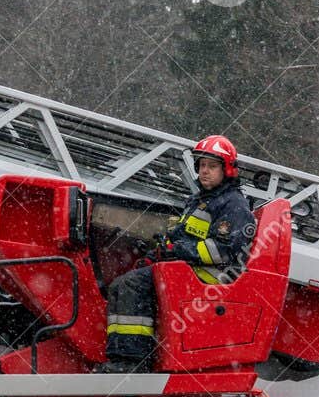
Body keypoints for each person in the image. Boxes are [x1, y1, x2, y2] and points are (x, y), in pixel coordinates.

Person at [99, 134, 256, 372]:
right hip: (184, 268)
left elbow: (223, 251)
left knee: (132, 285)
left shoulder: (233, 204)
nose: (205, 171)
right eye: (202, 165)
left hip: (208, 277)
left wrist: (178, 250)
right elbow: (182, 237)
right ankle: (119, 356)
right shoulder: (199, 200)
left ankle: (133, 362)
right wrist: (159, 254)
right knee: (120, 284)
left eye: (212, 166)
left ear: (228, 170)